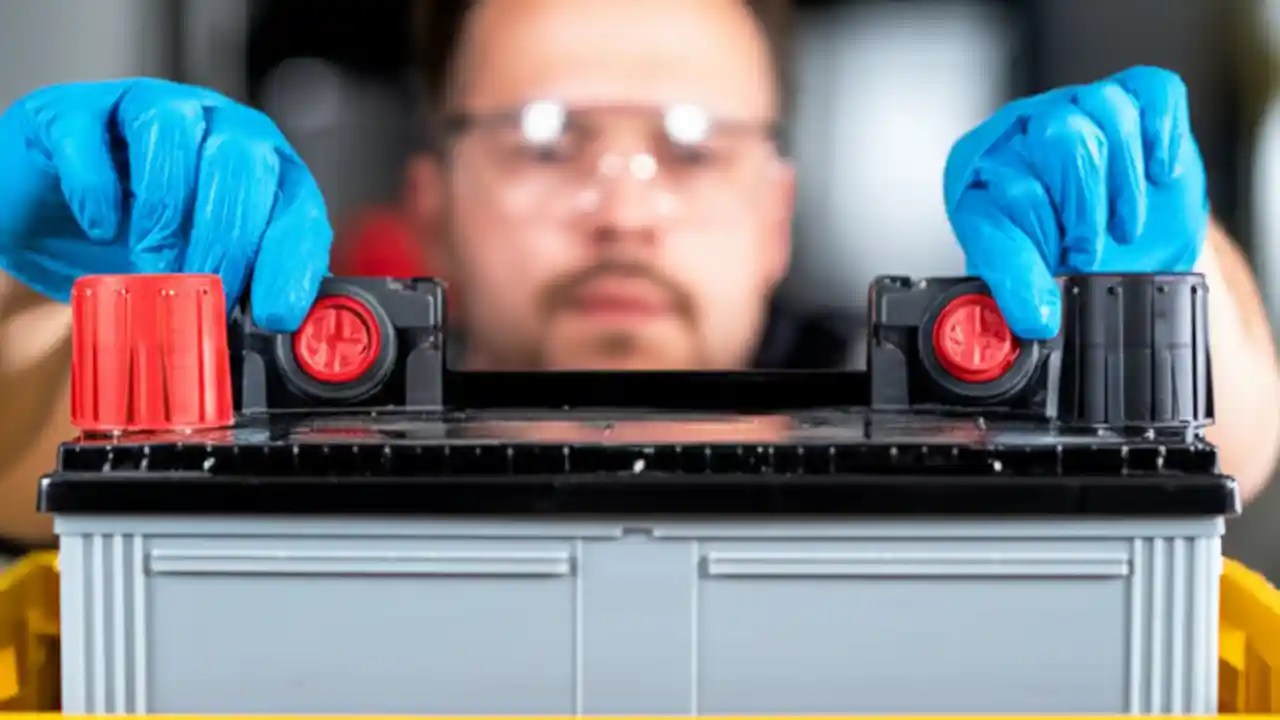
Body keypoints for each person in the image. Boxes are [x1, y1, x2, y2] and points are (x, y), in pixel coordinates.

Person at [0, 0, 1275, 549]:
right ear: (431, 200)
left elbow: (1230, 433)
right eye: (546, 137)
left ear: (777, 210)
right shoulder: (288, 391)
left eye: (690, 144)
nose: (623, 206)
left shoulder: (942, 392)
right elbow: (28, 451)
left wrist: (1150, 278)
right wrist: (120, 308)